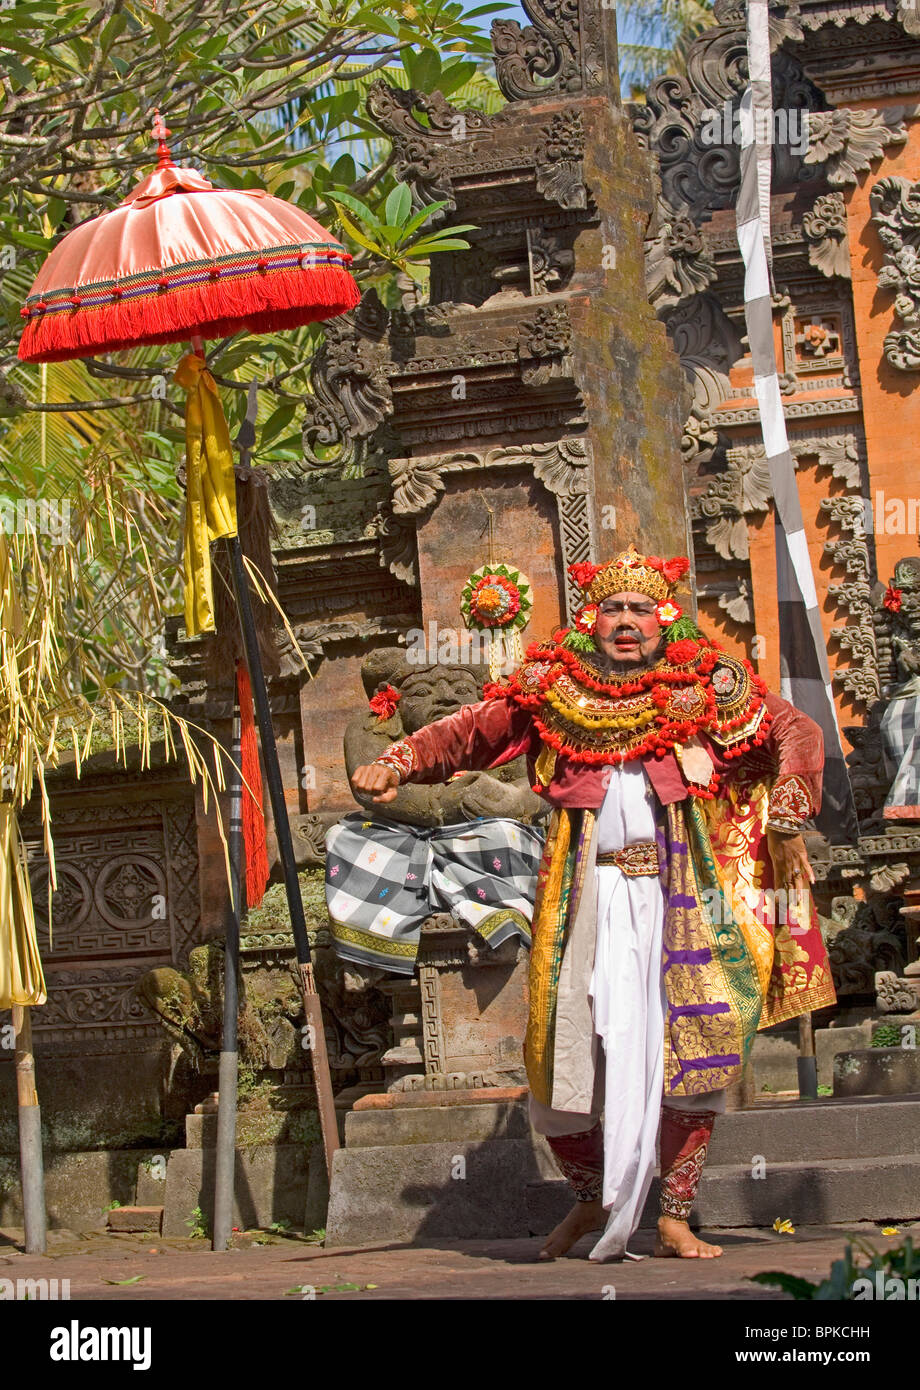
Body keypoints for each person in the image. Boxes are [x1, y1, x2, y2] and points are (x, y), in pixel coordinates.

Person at [351, 546, 836, 1262]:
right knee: (559, 1044)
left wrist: (789, 814)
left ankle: (673, 1214)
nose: (628, 622)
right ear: (593, 616)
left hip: (682, 897)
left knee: (695, 1044)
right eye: (615, 609)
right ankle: (587, 1202)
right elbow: (471, 730)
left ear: (663, 615)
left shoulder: (707, 680)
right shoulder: (554, 687)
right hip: (583, 893)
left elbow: (798, 731)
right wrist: (397, 761)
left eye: (642, 609)